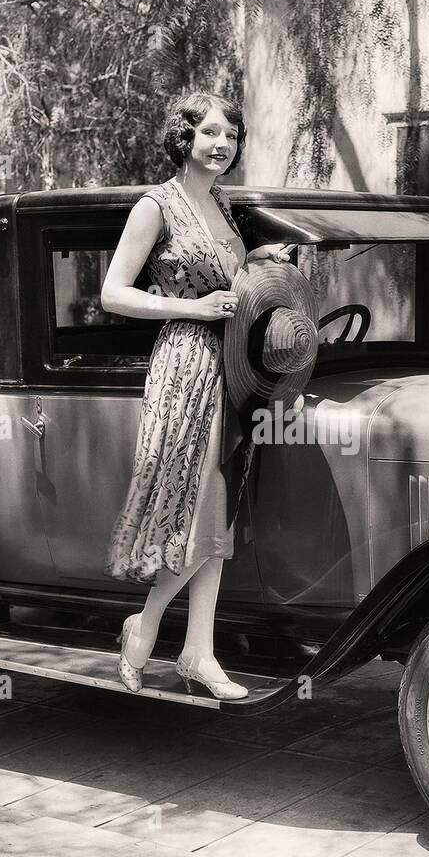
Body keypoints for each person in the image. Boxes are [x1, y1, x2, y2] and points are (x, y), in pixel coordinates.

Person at [101, 92, 291, 699]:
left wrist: (256, 259)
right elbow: (113, 293)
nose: (222, 144)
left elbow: (224, 278)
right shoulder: (156, 205)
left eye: (230, 135)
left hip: (229, 366)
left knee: (216, 512)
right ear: (184, 136)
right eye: (210, 132)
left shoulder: (222, 207)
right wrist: (193, 306)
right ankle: (150, 627)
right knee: (196, 508)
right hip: (185, 363)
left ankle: (197, 650)